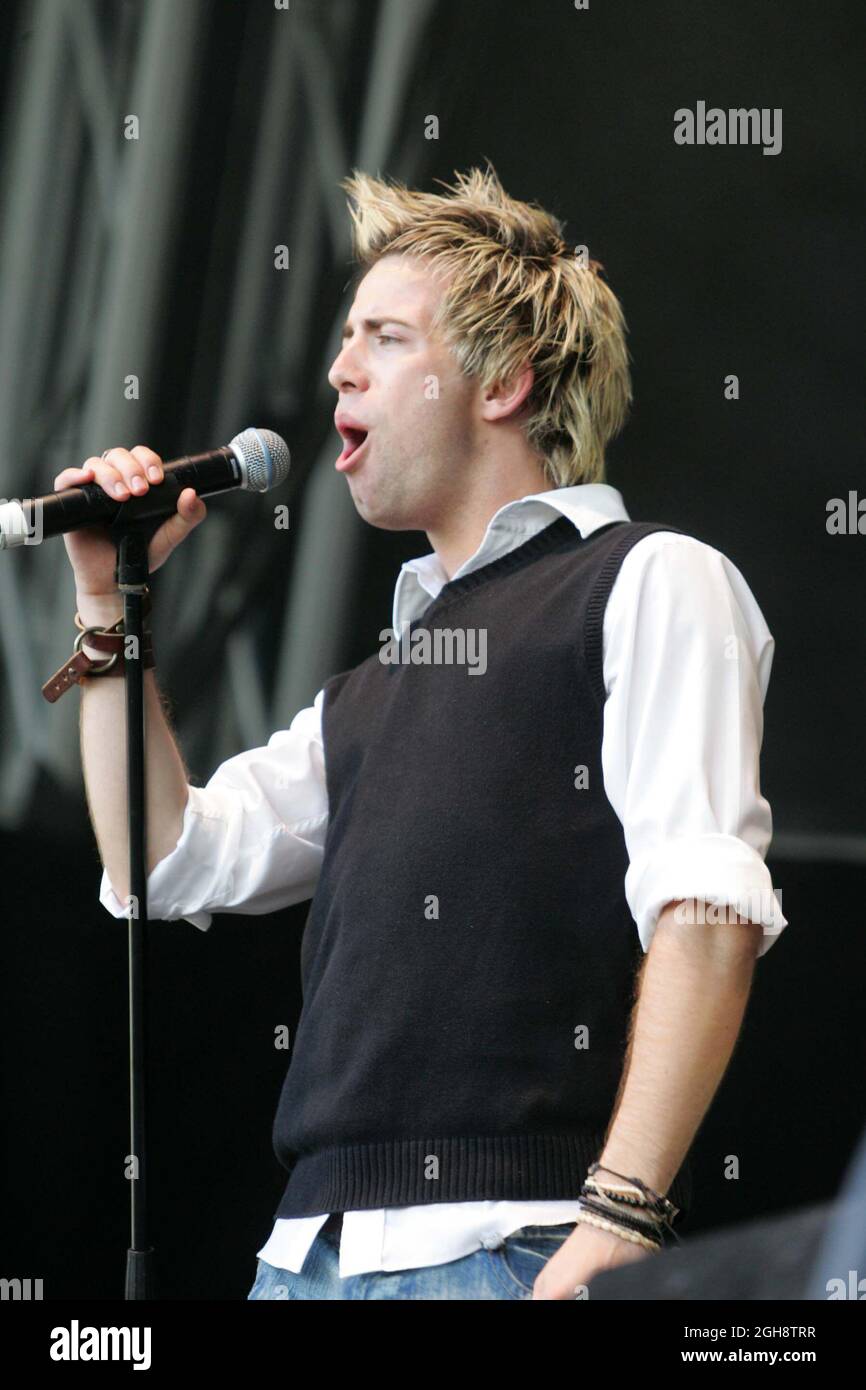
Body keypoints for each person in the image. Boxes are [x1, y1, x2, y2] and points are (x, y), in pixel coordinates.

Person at [57, 164, 787, 1301]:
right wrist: (110, 608)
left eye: (384, 337)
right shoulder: (370, 687)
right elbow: (161, 859)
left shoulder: (648, 581)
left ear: (501, 381)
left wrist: (622, 1213)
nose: (338, 367)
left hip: (511, 1246)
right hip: (304, 1259)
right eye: (347, 335)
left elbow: (706, 909)